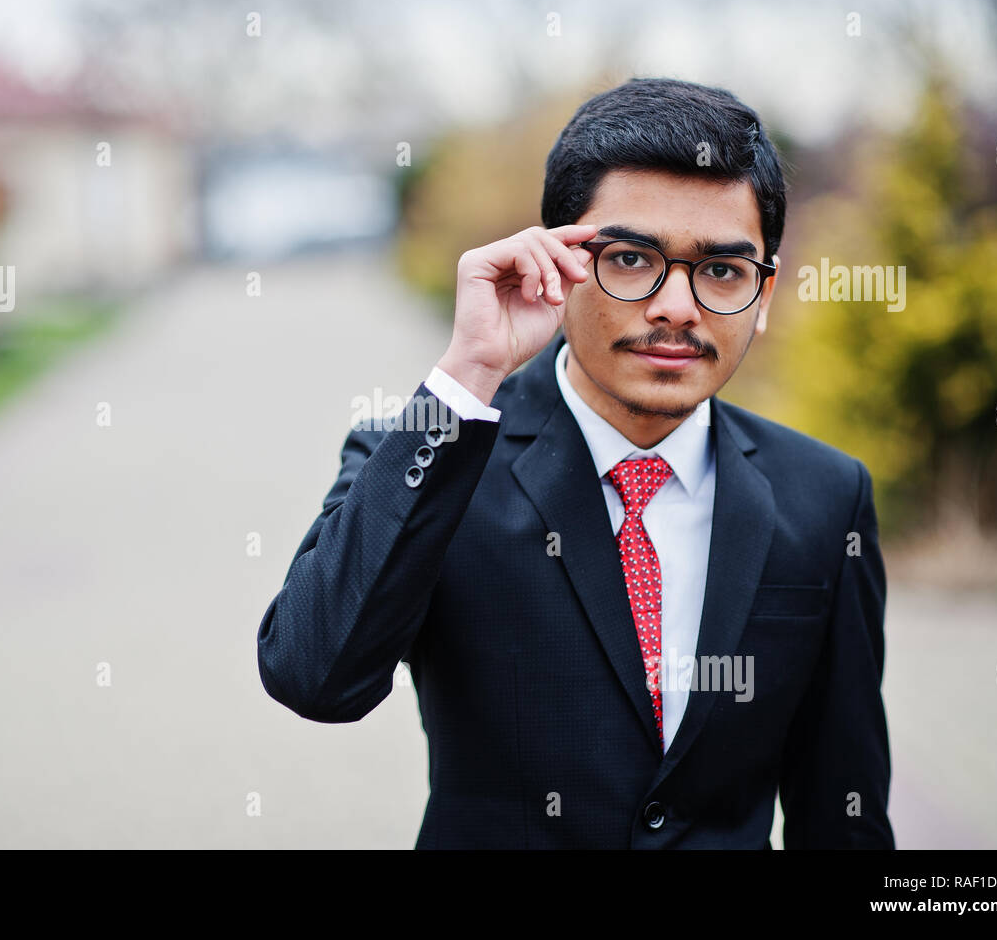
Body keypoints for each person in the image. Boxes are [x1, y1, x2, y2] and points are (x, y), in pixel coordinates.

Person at [257, 77, 894, 849]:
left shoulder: (824, 496)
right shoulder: (438, 455)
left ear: (763, 296)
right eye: (631, 259)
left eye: (723, 271)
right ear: (556, 261)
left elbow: (845, 814)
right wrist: (467, 374)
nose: (678, 307)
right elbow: (312, 676)